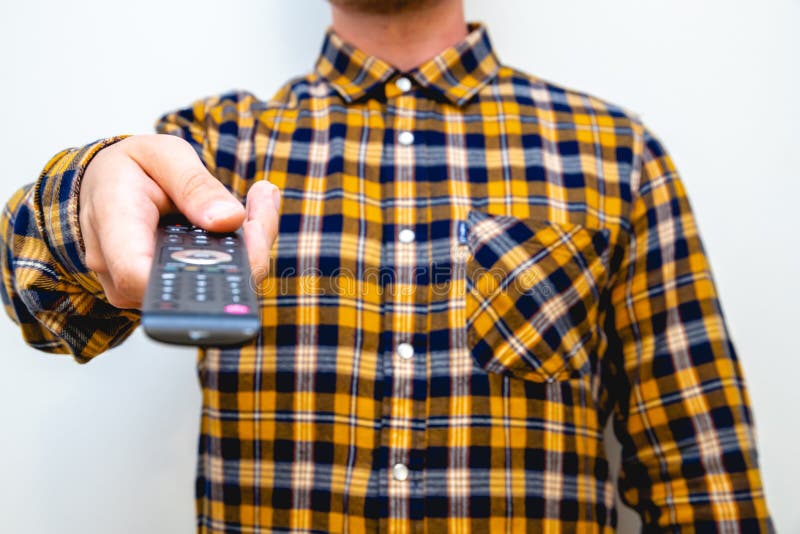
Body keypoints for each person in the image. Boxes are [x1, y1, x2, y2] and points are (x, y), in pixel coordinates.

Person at [0, 0, 773, 531]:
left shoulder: (614, 155)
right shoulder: (212, 151)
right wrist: (88, 190)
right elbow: (39, 303)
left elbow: (702, 475)